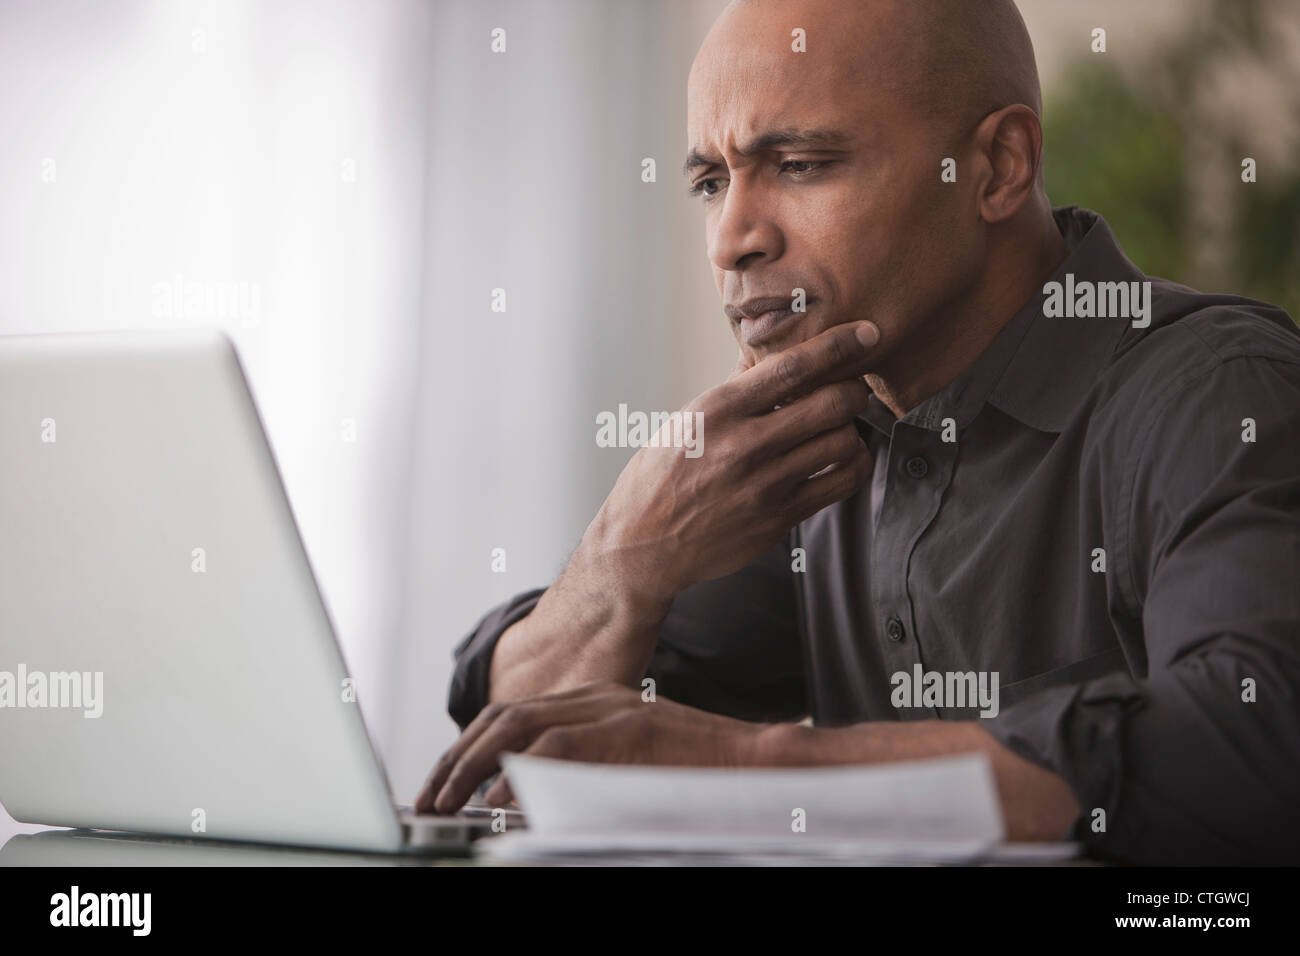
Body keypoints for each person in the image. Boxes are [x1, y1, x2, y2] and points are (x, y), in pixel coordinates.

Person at [416, 0, 1300, 865]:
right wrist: (623, 559)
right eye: (711, 182)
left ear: (997, 167)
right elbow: (516, 745)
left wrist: (750, 763)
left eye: (798, 163)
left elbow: (1259, 742)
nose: (731, 239)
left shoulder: (1217, 392)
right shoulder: (823, 444)